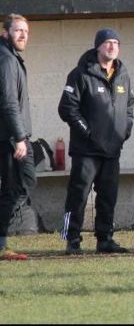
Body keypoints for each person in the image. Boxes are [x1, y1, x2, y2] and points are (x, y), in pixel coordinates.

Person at [58, 29, 134, 254]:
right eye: (107, 43)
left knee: (108, 197)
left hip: (112, 149)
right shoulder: (80, 74)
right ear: (98, 46)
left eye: (116, 43)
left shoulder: (123, 75)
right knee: (78, 196)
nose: (112, 47)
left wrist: (125, 130)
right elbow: (66, 108)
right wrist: (87, 131)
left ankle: (105, 239)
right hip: (86, 150)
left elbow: (129, 106)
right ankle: (71, 239)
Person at [0, 14, 34, 261]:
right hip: (11, 138)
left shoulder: (11, 58)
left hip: (16, 135)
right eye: (18, 30)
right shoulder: (6, 60)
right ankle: (1, 243)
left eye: (26, 31)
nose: (23, 35)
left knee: (23, 184)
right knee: (13, 189)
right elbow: (9, 102)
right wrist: (19, 137)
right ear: (5, 33)